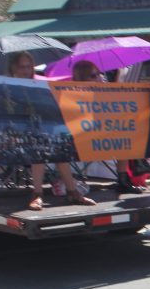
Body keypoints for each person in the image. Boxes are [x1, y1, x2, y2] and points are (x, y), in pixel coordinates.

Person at [8, 53, 97, 210]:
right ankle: (38, 193)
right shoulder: (7, 86)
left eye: (29, 66)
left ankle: (72, 191)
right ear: (14, 68)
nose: (26, 70)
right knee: (41, 146)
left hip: (42, 129)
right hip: (18, 134)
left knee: (58, 146)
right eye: (22, 66)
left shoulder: (40, 83)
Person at [69, 60, 145, 195]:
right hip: (84, 137)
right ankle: (133, 168)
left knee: (127, 129)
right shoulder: (73, 96)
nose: (99, 78)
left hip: (105, 134)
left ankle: (124, 178)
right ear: (81, 78)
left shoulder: (105, 93)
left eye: (99, 74)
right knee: (123, 130)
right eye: (93, 76)